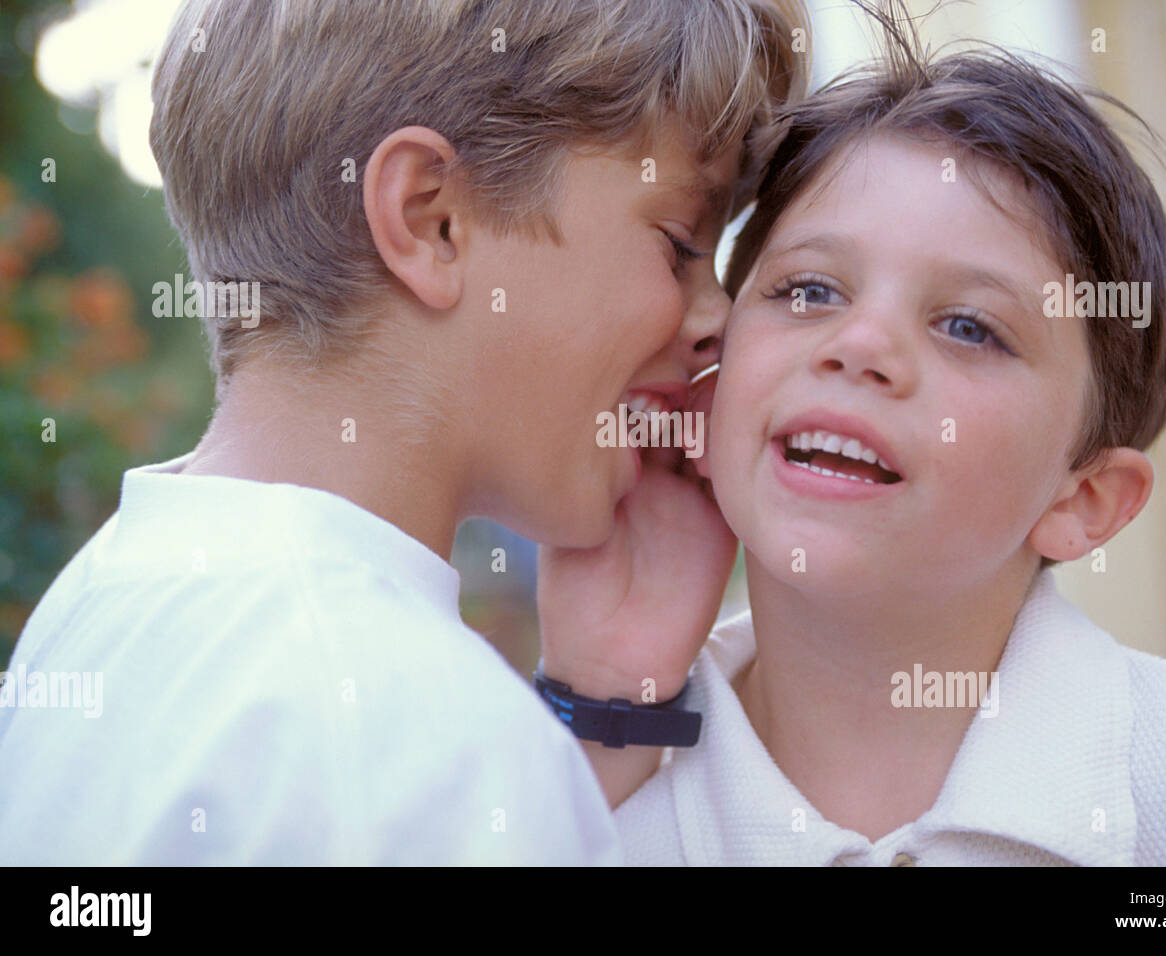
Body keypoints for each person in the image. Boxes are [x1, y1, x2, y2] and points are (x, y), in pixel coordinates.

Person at [0, 0, 806, 864]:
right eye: (682, 244)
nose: (715, 318)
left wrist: (604, 704)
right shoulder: (436, 743)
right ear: (430, 219)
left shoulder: (102, 607)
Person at [544, 16, 1166, 865]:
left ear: (1082, 500)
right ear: (713, 366)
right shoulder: (594, 795)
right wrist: (605, 701)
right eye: (809, 289)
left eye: (970, 328)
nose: (862, 346)